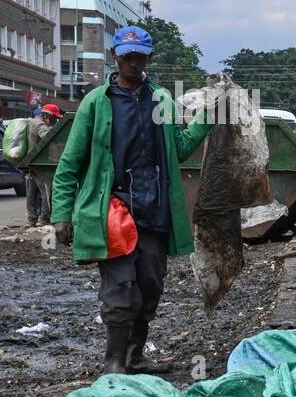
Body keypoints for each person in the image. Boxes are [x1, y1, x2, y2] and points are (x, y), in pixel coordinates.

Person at [50, 25, 211, 375]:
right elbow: (70, 163)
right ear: (115, 57)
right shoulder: (96, 103)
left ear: (148, 58)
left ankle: (136, 356)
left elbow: (176, 149)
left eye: (139, 58)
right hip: (113, 212)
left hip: (153, 211)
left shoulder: (161, 100)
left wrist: (203, 122)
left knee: (149, 287)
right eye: (127, 57)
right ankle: (113, 362)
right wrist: (61, 214)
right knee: (121, 289)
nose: (133, 64)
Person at [23, 103, 61, 226]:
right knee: (46, 191)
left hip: (31, 162)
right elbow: (47, 138)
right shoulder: (39, 124)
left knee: (31, 192)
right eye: (54, 118)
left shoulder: (33, 122)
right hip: (38, 164)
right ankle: (44, 219)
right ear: (47, 115)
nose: (54, 121)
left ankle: (32, 220)